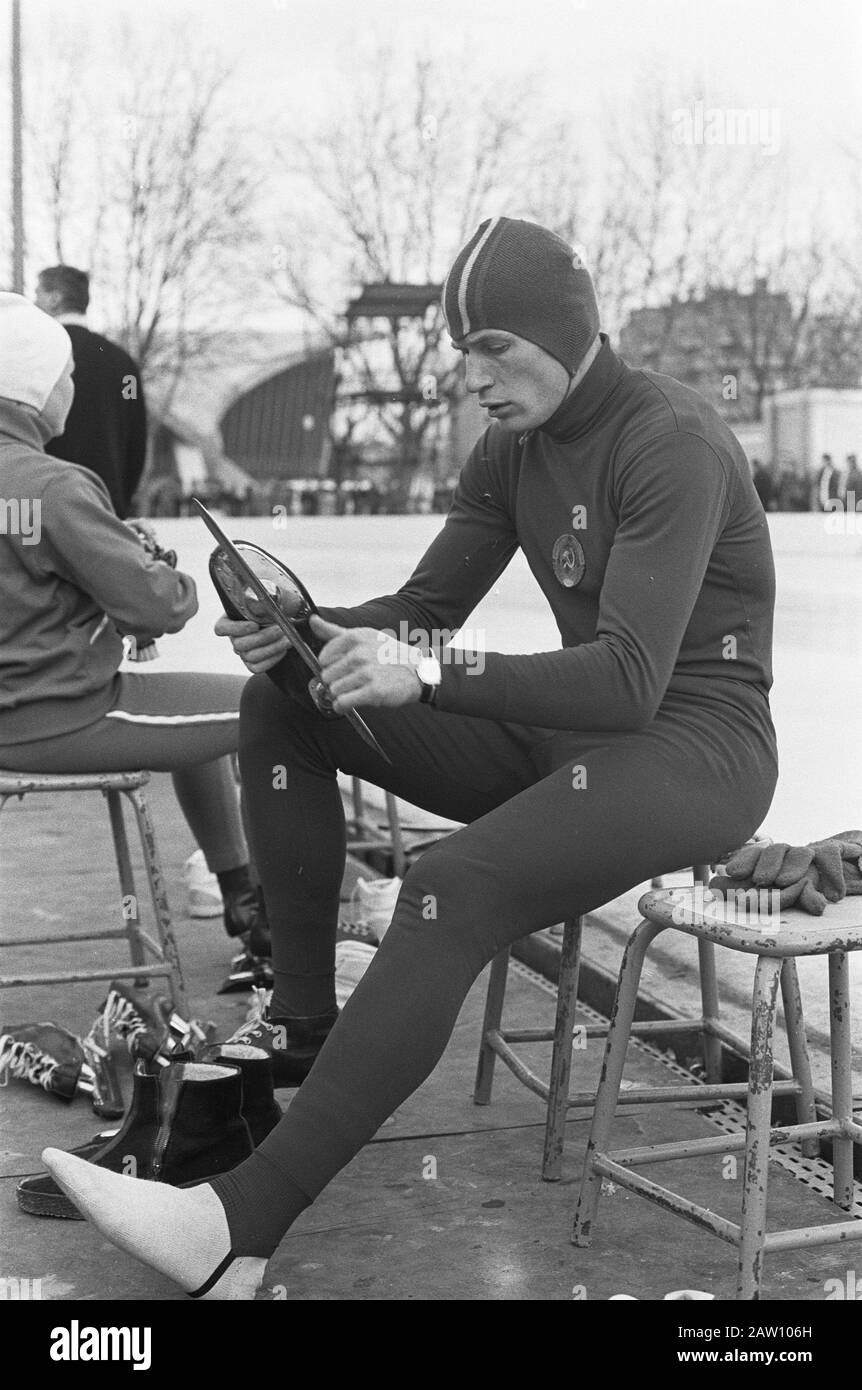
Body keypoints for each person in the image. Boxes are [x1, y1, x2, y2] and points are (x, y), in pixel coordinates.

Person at [42, 217, 778, 1300]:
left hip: (696, 745)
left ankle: (237, 1227)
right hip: (578, 733)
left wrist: (424, 670)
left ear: (564, 334)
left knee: (445, 888)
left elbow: (624, 674)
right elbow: (423, 612)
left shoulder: (668, 435)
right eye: (460, 352)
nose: (472, 377)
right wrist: (304, 622)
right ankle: (301, 1026)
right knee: (285, 699)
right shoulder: (511, 448)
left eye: (495, 348)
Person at [0, 293, 267, 955]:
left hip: (21, 707)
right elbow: (161, 609)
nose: (72, 389)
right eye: (66, 377)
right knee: (281, 707)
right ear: (34, 390)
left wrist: (107, 563)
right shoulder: (51, 484)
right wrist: (154, 567)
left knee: (183, 712)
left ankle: (241, 893)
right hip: (57, 718)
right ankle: (278, 914)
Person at [35, 265, 146, 519]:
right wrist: (120, 501)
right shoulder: (123, 365)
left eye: (37, 293)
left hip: (43, 509)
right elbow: (136, 437)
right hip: (106, 504)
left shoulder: (35, 354)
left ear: (54, 299)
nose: (34, 302)